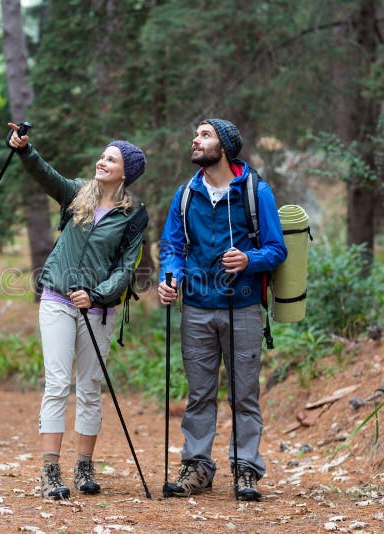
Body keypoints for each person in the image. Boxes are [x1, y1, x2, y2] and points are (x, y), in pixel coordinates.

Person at [7, 123, 148, 500]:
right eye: (103, 156)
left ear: (125, 172)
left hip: (98, 310)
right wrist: (25, 149)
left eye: (112, 159)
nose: (102, 161)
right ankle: (50, 471)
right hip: (56, 299)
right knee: (57, 384)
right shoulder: (76, 194)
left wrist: (98, 295)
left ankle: (84, 466)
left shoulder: (134, 215)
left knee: (89, 387)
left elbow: (126, 269)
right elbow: (45, 174)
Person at [158, 118, 287, 501]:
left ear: (224, 147)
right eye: (195, 133)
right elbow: (172, 247)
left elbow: (277, 249)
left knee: (244, 395)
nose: (195, 140)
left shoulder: (255, 192)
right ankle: (197, 467)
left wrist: (249, 259)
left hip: (243, 307)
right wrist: (171, 278)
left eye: (204, 135)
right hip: (196, 307)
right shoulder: (186, 194)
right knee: (199, 395)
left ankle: (245, 469)